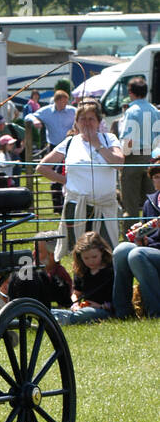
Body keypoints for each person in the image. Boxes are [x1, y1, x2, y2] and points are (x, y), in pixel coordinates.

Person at [37, 100, 123, 256]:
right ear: (76, 122)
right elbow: (42, 167)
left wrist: (98, 145)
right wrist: (66, 181)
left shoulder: (109, 139)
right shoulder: (70, 142)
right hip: (77, 207)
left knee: (107, 252)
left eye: (91, 119)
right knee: (80, 253)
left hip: (104, 207)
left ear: (98, 122)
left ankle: (108, 280)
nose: (87, 123)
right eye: (82, 119)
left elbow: (119, 163)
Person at [112, 162, 160, 318]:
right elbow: (151, 238)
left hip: (148, 253)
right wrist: (140, 236)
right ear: (152, 180)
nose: (159, 181)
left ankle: (156, 311)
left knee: (137, 255)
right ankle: (122, 312)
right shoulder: (150, 202)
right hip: (150, 251)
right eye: (156, 177)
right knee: (121, 250)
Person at [27, 89, 76, 214]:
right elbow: (29, 115)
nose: (64, 105)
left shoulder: (72, 111)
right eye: (61, 103)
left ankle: (64, 203)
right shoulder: (47, 111)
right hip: (54, 147)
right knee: (55, 176)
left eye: (65, 102)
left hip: (70, 146)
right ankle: (57, 207)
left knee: (64, 173)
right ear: (56, 101)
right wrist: (35, 121)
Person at [118, 76, 160, 225]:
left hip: (133, 159)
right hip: (152, 159)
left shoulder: (131, 111)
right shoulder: (155, 110)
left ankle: (132, 236)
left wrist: (122, 157)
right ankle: (153, 233)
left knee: (130, 204)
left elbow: (128, 140)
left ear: (131, 92)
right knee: (153, 201)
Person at [53, 231, 114, 325]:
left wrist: (101, 306)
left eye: (94, 257)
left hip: (103, 310)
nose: (91, 261)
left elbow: (118, 298)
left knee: (86, 314)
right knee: (52, 311)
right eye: (86, 258)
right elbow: (76, 293)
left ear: (102, 252)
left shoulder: (111, 270)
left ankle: (56, 320)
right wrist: (75, 304)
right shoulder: (81, 270)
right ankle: (48, 317)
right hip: (84, 307)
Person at [5, 233, 72, 310]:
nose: (33, 254)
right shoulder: (27, 271)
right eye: (34, 250)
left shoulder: (60, 274)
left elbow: (66, 298)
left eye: (38, 252)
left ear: (52, 255)